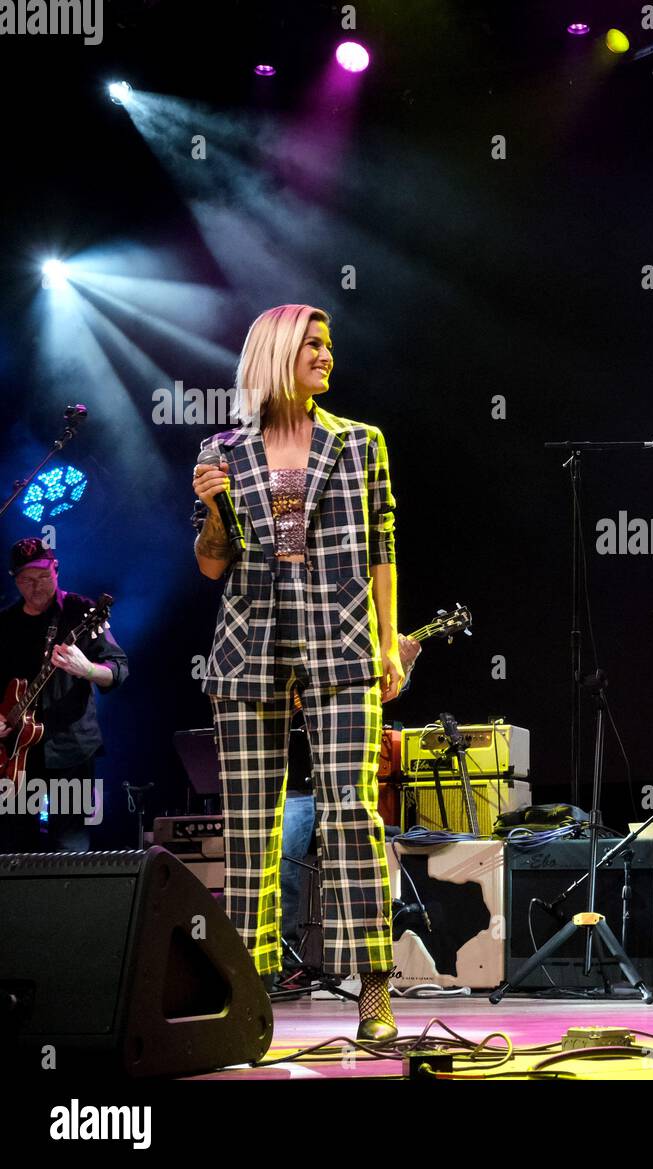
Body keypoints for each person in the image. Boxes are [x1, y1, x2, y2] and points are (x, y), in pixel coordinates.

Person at [191, 304, 405, 1041]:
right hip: (250, 637)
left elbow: (383, 545)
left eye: (329, 345)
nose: (326, 355)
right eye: (314, 344)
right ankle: (246, 995)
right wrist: (214, 506)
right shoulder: (224, 448)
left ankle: (372, 988)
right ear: (278, 352)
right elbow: (213, 561)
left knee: (352, 812)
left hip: (340, 633)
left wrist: (385, 641)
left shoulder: (359, 442)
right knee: (249, 828)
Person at [0, 537, 129, 851]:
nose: (37, 586)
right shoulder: (5, 623)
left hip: (71, 749)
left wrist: (87, 669)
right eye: (27, 580)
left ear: (56, 569)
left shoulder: (81, 611)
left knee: (69, 845)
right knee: (16, 846)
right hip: (15, 755)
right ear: (14, 579)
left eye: (44, 576)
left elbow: (118, 669)